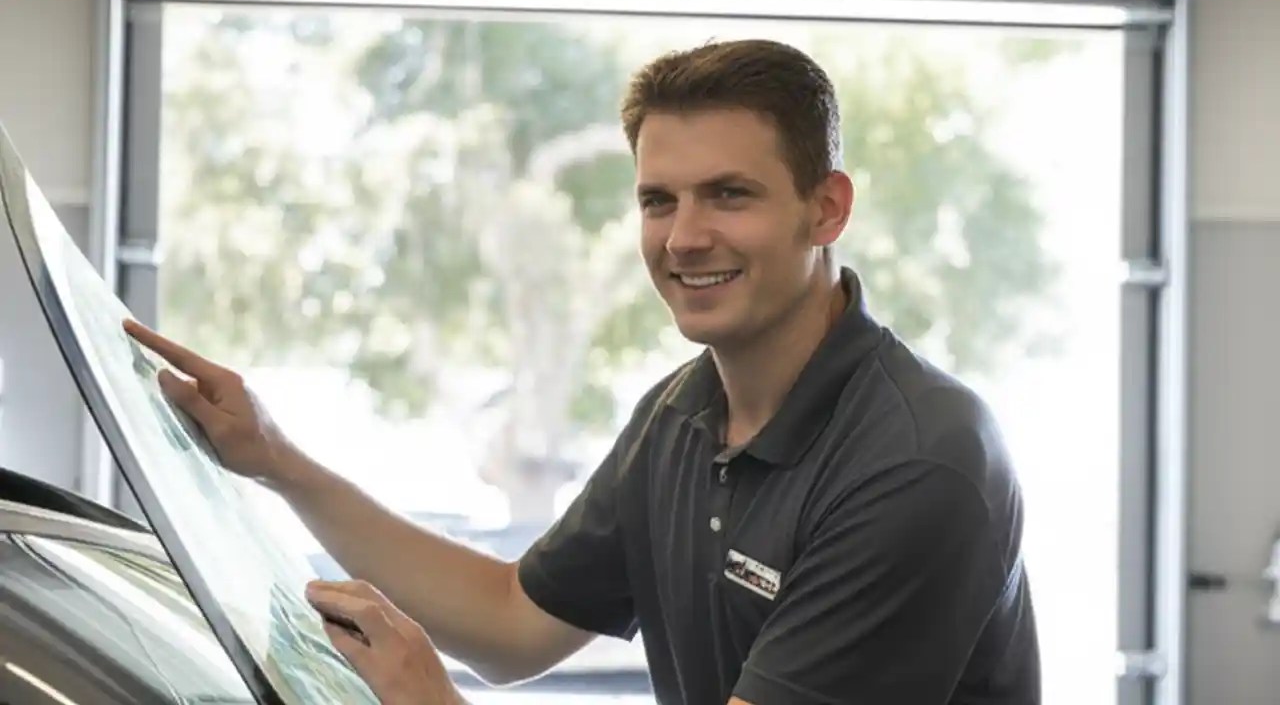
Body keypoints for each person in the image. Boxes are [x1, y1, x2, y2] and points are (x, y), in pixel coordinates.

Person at [124, 38, 1040, 705]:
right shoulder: (684, 415)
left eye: (730, 194)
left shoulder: (919, 462)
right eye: (658, 200)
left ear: (826, 208)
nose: (685, 237)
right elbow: (513, 622)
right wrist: (279, 460)